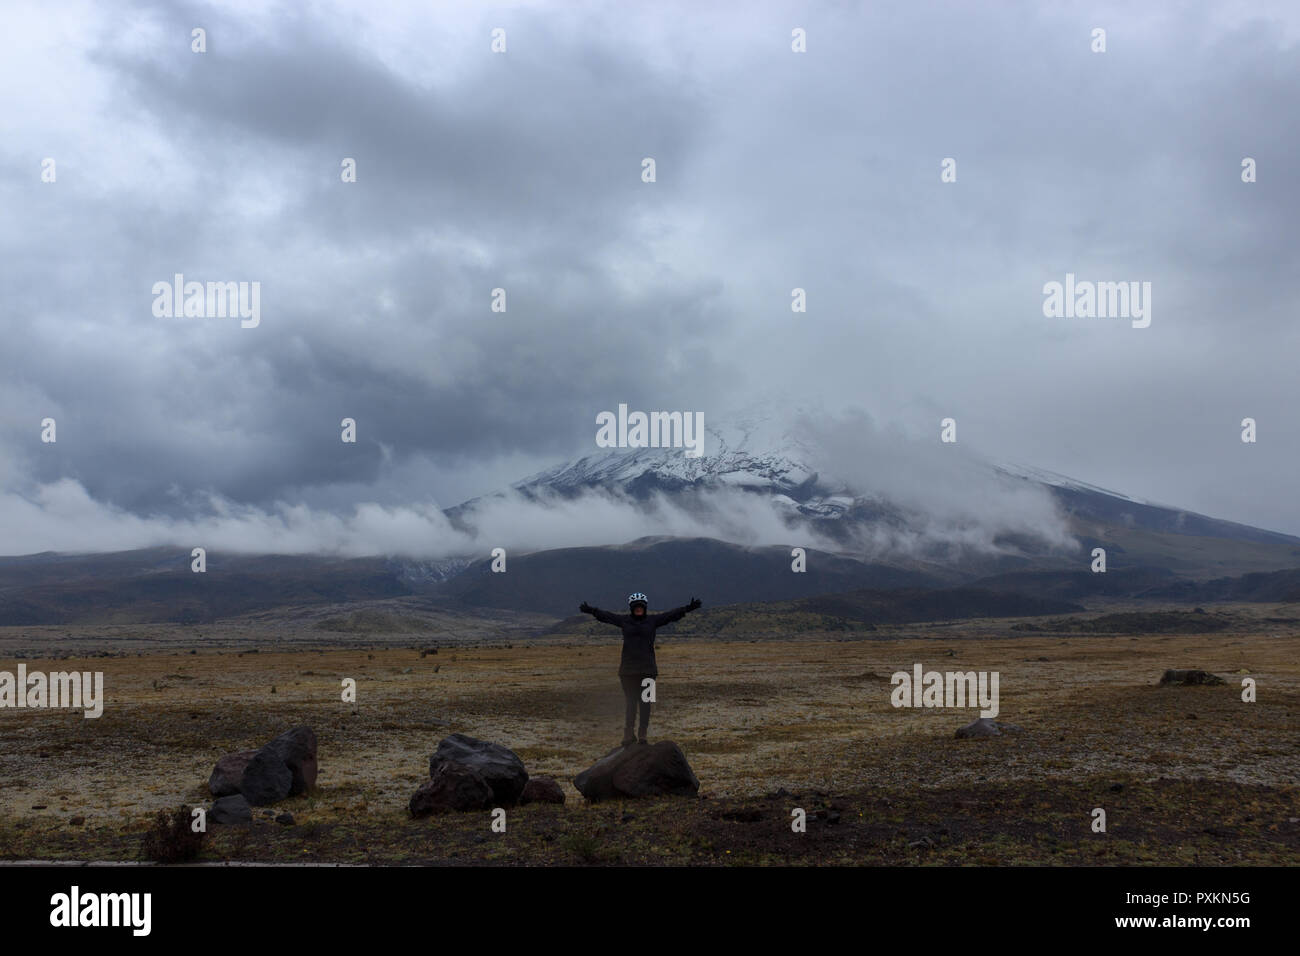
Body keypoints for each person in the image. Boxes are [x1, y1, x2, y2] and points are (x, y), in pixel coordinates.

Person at [579, 592, 702, 747]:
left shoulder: (653, 621)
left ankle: (642, 734)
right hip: (628, 671)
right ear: (632, 608)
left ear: (645, 608)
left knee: (646, 702)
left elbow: (670, 615)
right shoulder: (624, 621)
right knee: (630, 702)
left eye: (641, 607)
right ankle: (628, 734)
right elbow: (607, 616)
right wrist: (592, 610)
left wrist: (688, 608)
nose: (638, 609)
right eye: (636, 607)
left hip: (648, 670)